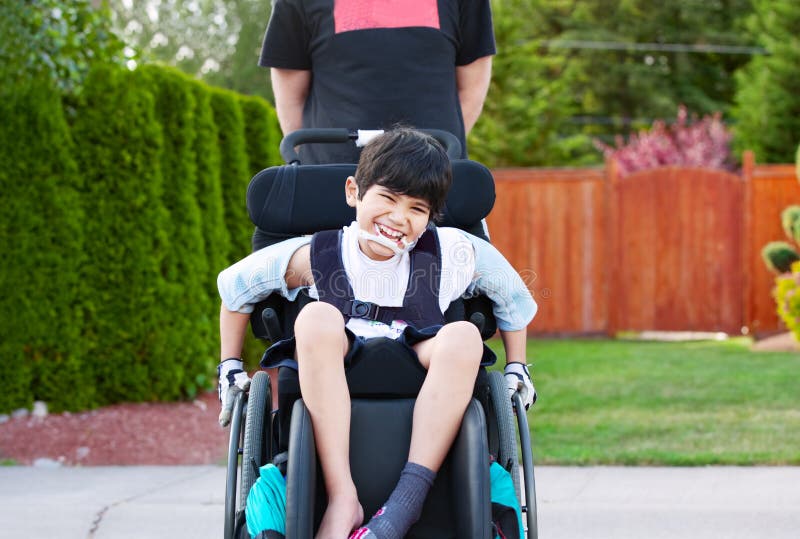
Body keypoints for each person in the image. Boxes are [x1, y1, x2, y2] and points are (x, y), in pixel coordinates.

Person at [216, 129, 535, 539]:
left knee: (464, 337)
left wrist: (517, 367)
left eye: (417, 208)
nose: (399, 217)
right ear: (354, 192)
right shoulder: (317, 253)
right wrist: (230, 366)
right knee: (315, 317)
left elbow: (514, 298)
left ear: (430, 216)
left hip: (420, 356)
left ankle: (403, 507)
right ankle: (342, 497)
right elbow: (235, 289)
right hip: (338, 360)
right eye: (388, 198)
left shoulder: (455, 252)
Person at [259, 0, 495, 164]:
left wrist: (430, 157)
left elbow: (471, 92)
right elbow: (291, 100)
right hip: (332, 181)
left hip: (434, 181)